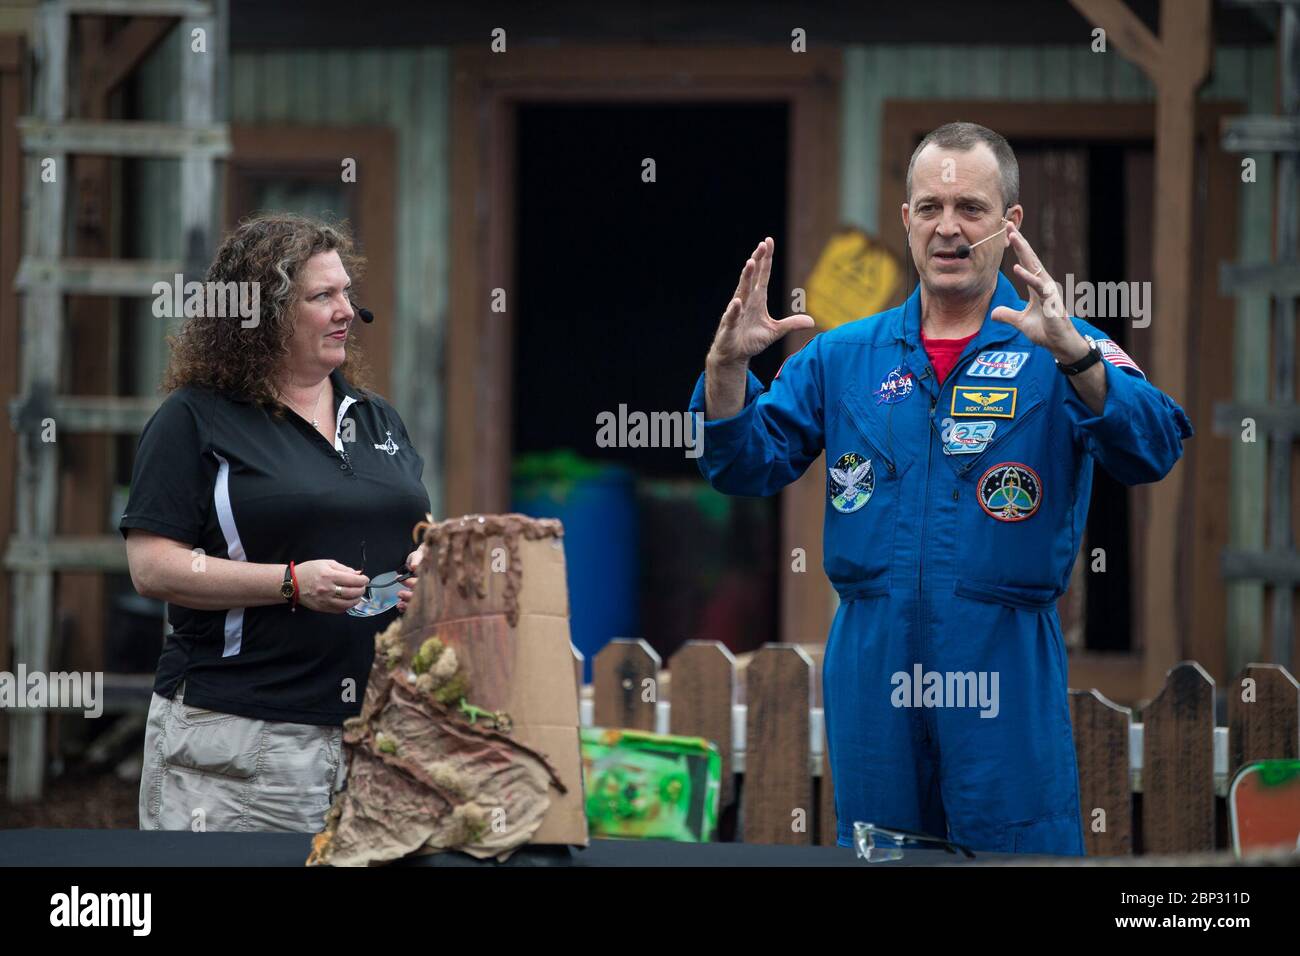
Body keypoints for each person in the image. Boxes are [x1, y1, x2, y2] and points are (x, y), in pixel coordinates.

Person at [689, 122, 1193, 855]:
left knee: (1017, 850)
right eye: (929, 208)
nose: (948, 228)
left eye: (971, 209)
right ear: (906, 221)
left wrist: (1079, 359)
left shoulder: (1058, 343)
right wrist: (724, 372)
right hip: (872, 661)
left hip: (1003, 660)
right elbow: (742, 465)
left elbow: (1154, 447)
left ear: (1010, 224)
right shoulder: (841, 356)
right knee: (883, 850)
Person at [121, 214, 431, 833]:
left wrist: (435, 565)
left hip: (374, 734)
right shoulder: (195, 419)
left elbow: (417, 525)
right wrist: (290, 583)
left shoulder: (375, 418)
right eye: (323, 297)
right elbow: (151, 567)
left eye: (347, 292)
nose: (348, 311)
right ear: (264, 315)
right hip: (240, 740)